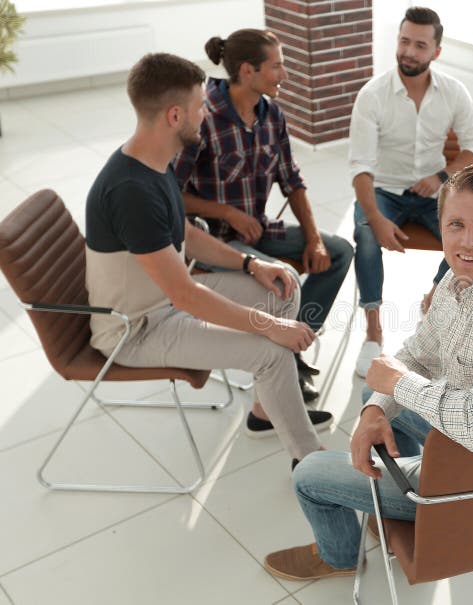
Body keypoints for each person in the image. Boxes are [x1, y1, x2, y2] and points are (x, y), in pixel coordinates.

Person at [262, 164, 473, 581]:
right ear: (439, 225)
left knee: (309, 473)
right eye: (456, 224)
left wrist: (399, 385)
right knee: (375, 399)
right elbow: (417, 355)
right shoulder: (459, 283)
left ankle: (341, 555)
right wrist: (375, 411)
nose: (467, 241)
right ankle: (395, 495)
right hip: (460, 442)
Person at [85, 53, 332, 469]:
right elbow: (185, 294)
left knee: (283, 283)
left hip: (161, 306)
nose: (206, 113)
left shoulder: (153, 162)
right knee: (270, 352)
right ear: (175, 115)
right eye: (201, 106)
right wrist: (274, 329)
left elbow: (186, 236)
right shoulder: (131, 191)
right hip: (136, 330)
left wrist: (253, 266)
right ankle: (314, 468)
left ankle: (264, 413)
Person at [172, 29, 354, 402]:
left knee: (339, 251)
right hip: (213, 242)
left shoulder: (272, 115)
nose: (284, 75)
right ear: (247, 71)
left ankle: (289, 351)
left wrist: (315, 239)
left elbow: (293, 181)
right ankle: (287, 362)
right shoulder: (202, 116)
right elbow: (170, 193)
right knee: (286, 280)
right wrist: (225, 212)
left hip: (257, 232)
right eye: (277, 66)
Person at [349, 6, 473, 377]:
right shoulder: (373, 95)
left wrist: (442, 176)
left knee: (470, 236)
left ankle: (434, 307)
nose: (409, 51)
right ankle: (373, 333)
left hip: (433, 190)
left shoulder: (453, 92)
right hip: (384, 188)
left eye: (420, 45)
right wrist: (376, 219)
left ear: (436, 52)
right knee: (364, 234)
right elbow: (360, 167)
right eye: (404, 41)